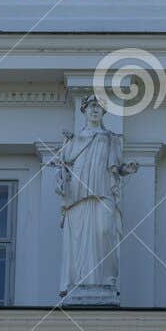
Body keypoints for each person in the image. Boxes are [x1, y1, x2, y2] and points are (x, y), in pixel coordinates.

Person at [54, 95, 138, 301]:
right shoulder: (73, 140)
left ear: (103, 112)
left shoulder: (111, 138)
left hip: (103, 190)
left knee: (105, 231)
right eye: (91, 106)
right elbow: (62, 166)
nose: (95, 110)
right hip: (78, 193)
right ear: (83, 110)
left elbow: (116, 167)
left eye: (99, 107)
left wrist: (126, 169)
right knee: (78, 237)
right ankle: (80, 281)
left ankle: (107, 279)